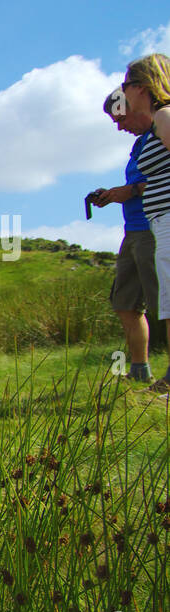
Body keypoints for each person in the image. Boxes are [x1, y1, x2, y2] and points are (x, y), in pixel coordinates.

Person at [92, 87, 158, 382]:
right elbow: (139, 185)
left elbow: (156, 182)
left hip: (153, 230)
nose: (120, 127)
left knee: (163, 303)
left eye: (121, 119)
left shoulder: (161, 134)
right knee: (126, 304)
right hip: (132, 231)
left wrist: (127, 192)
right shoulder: (139, 144)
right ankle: (139, 370)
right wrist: (113, 194)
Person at [121, 54, 170, 393]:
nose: (123, 92)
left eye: (125, 86)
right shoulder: (156, 123)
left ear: (141, 87)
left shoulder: (165, 116)